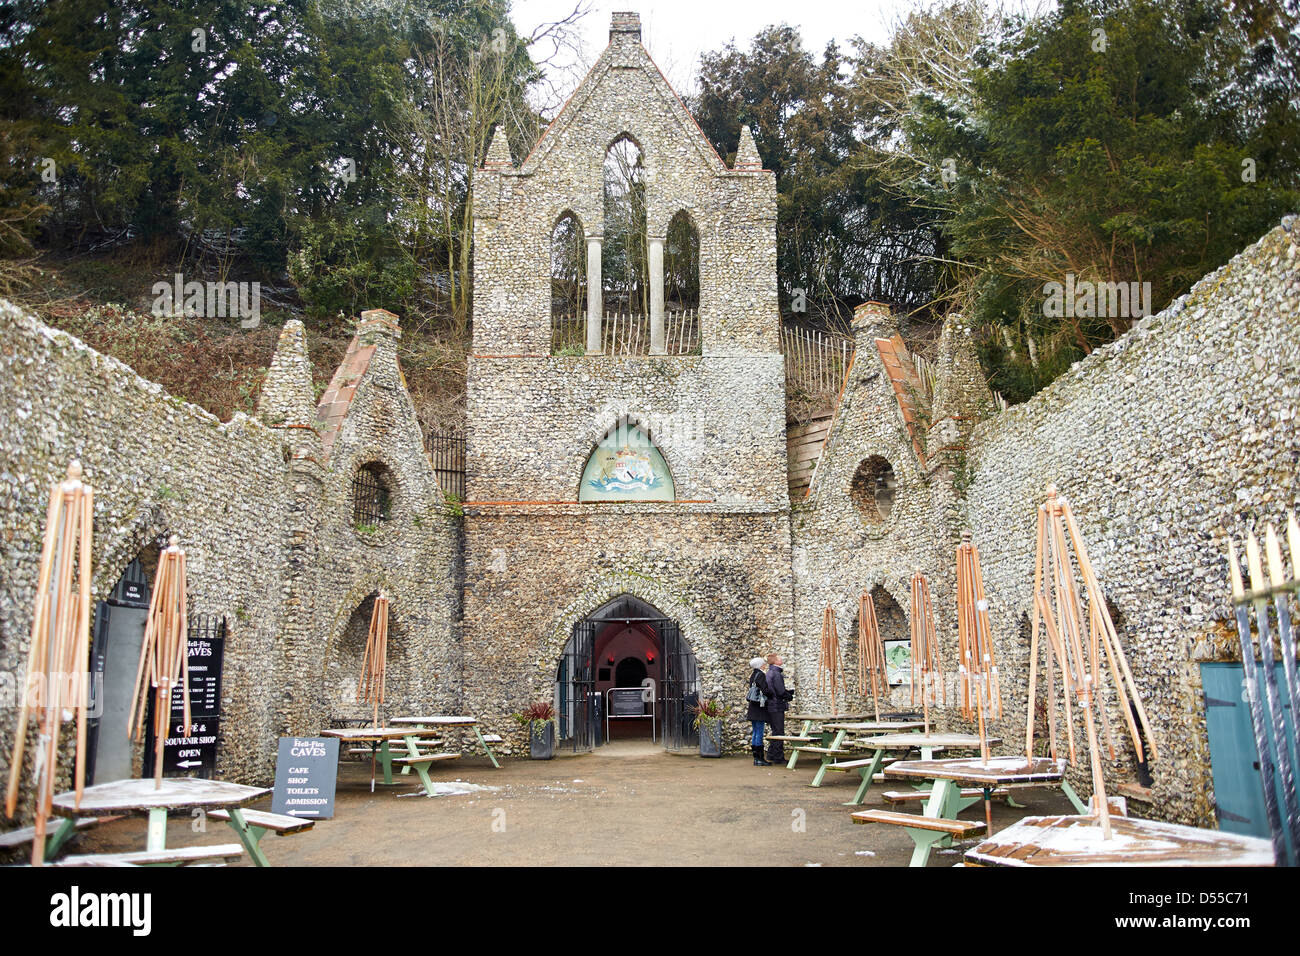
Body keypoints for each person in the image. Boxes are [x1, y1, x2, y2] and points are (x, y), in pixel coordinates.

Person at [764, 652, 793, 764]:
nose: (781, 659)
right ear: (776, 661)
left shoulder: (770, 673)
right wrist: (788, 696)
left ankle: (772, 753)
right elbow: (780, 691)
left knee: (775, 730)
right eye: (779, 658)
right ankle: (778, 756)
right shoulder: (776, 673)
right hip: (776, 706)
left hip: (771, 705)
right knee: (779, 731)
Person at [745, 656, 772, 766]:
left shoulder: (753, 675)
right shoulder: (761, 675)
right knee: (759, 732)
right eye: (763, 663)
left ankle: (756, 757)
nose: (765, 665)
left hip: (753, 707)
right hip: (759, 707)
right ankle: (760, 758)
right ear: (761, 665)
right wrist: (771, 694)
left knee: (755, 732)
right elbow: (765, 690)